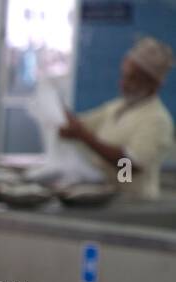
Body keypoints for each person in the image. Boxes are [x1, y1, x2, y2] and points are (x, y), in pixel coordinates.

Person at [59, 37, 174, 200]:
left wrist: (85, 138)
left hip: (133, 203)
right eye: (124, 76)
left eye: (132, 78)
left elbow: (130, 166)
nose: (123, 83)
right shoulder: (117, 108)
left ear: (154, 84)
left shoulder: (157, 120)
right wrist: (56, 111)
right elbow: (79, 126)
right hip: (107, 198)